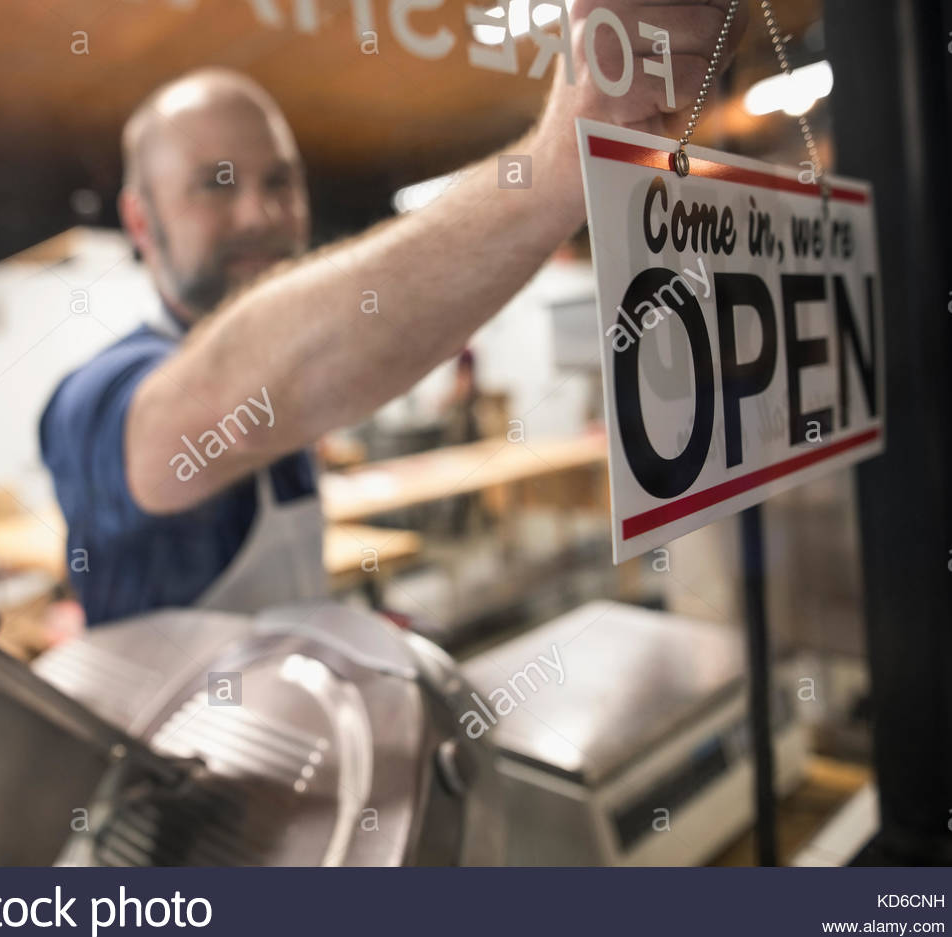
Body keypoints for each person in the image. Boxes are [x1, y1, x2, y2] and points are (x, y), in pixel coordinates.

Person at [40, 0, 746, 625]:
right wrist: (554, 170)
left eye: (281, 182)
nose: (260, 213)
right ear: (141, 221)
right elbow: (219, 395)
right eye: (214, 186)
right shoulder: (92, 403)